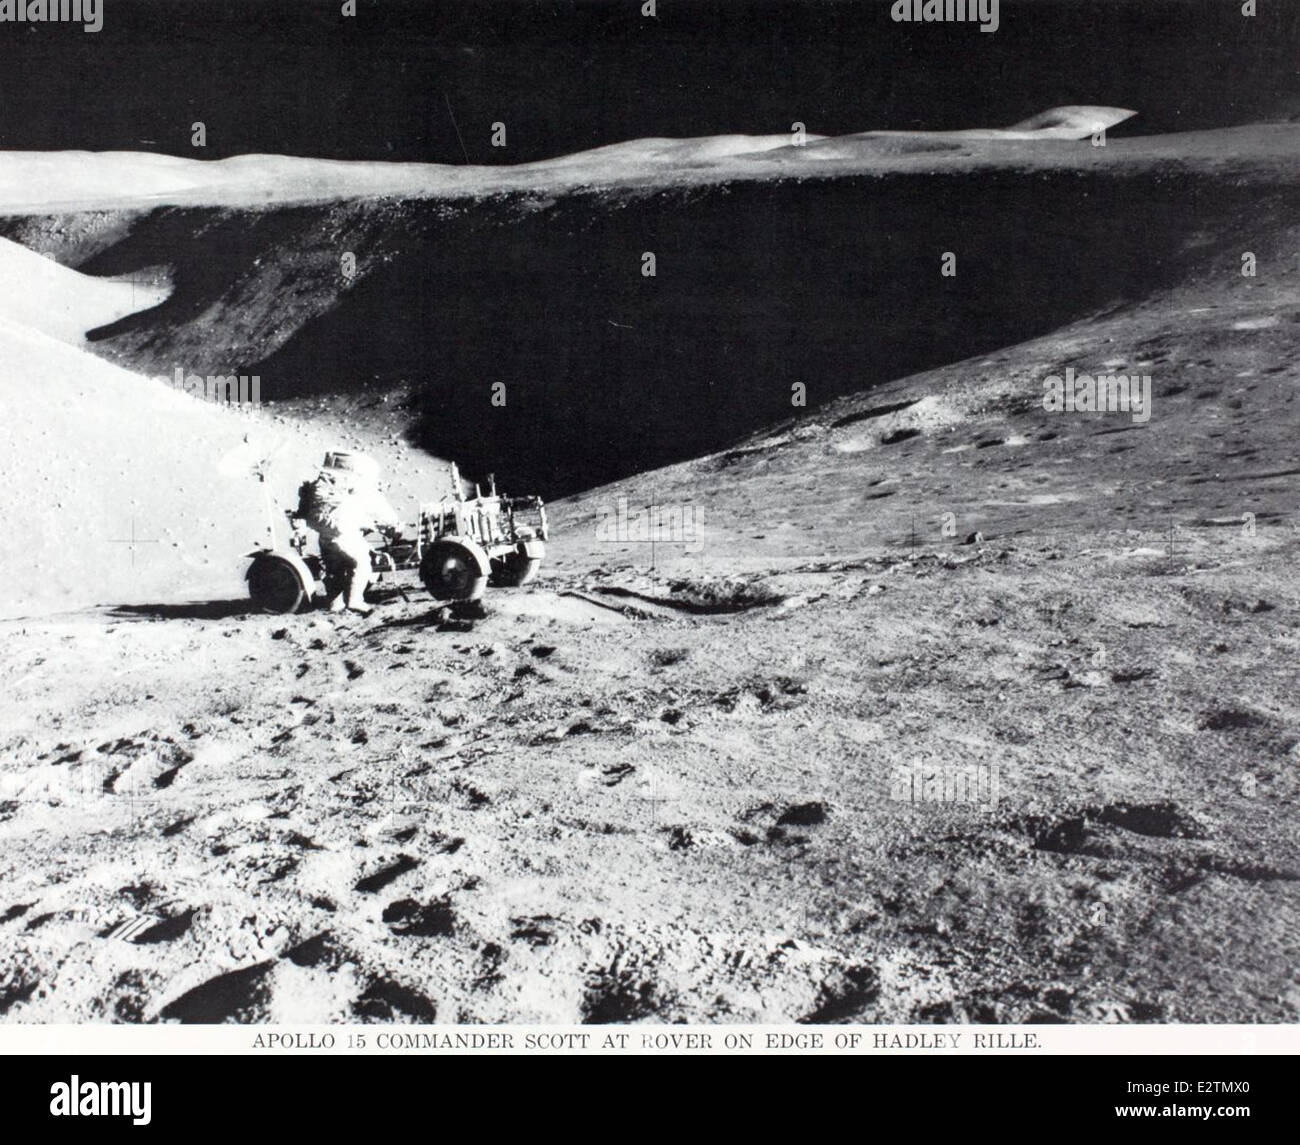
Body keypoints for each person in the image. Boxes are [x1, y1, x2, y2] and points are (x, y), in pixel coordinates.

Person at [297, 451, 401, 616]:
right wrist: (393, 527)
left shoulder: (325, 487)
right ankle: (355, 601)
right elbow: (384, 515)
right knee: (361, 562)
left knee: (334, 569)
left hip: (325, 535)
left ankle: (334, 603)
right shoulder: (360, 487)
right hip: (342, 533)